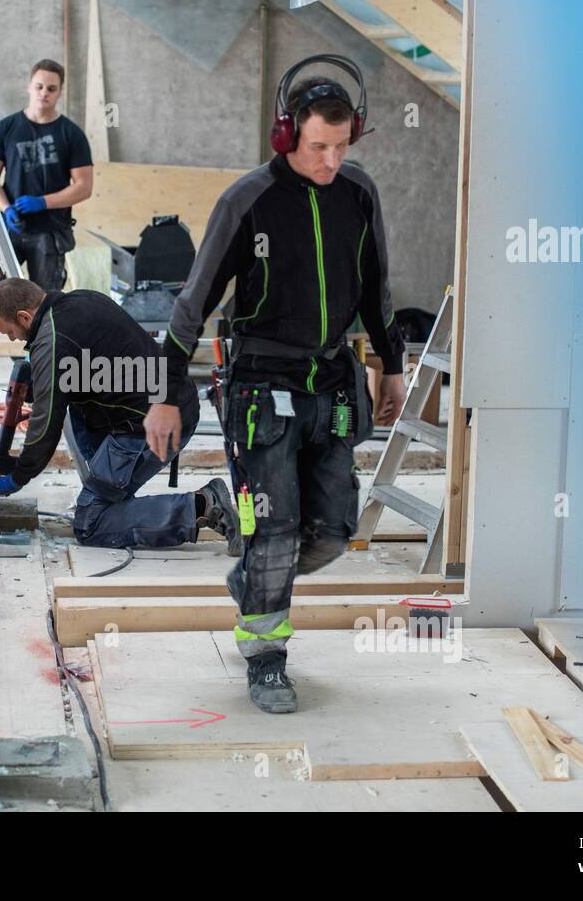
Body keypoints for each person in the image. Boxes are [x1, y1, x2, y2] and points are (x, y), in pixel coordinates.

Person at [144, 55, 408, 713]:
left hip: (332, 380)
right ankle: (265, 656)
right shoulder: (248, 200)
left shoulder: (358, 193)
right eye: (317, 146)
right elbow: (192, 302)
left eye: (342, 147)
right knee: (278, 528)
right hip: (261, 380)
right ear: (287, 135)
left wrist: (392, 364)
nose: (329, 161)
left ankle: (256, 578)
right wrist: (163, 395)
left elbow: (376, 288)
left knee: (334, 528)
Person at [0, 278, 241, 555]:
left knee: (91, 523)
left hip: (149, 425)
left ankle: (203, 505)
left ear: (24, 316)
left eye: (9, 331)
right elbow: (89, 369)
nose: (12, 339)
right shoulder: (82, 298)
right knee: (81, 421)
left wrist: (21, 474)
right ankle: (111, 497)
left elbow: (46, 424)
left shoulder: (52, 339)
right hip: (168, 401)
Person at [0, 60, 95, 363]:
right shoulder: (6, 128)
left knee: (44, 302)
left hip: (49, 230)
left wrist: (43, 202)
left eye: (52, 88)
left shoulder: (71, 134)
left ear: (60, 93)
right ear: (29, 87)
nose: (44, 93)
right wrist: (5, 208)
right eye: (39, 86)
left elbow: (84, 186)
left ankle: (41, 364)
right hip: (9, 228)